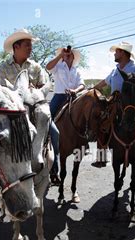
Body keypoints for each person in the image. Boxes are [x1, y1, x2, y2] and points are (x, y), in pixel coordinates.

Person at [0, 29, 56, 182]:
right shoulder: (3, 68)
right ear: (16, 47)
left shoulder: (36, 67)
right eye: (27, 45)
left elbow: (45, 90)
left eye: (31, 45)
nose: (31, 48)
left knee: (56, 133)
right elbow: (0, 92)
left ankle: (53, 169)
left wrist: (35, 91)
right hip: (13, 113)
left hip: (35, 110)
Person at [45, 46, 85, 185]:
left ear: (73, 57)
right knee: (46, 119)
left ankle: (83, 144)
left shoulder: (76, 70)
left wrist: (75, 90)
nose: (68, 56)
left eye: (70, 54)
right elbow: (47, 67)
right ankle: (46, 140)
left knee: (85, 117)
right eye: (66, 54)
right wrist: (59, 56)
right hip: (59, 97)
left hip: (73, 97)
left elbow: (82, 85)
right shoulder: (58, 66)